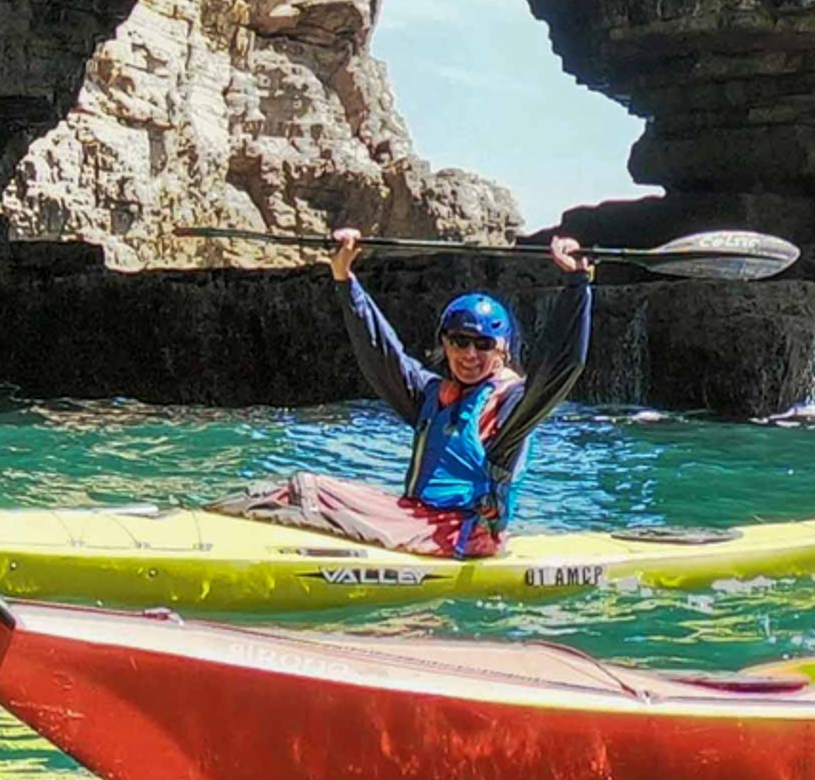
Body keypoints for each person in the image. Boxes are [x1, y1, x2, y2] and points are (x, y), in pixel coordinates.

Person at [232, 230, 595, 557]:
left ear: (502, 350)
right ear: (445, 343)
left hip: (465, 534)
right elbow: (381, 353)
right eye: (460, 342)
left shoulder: (511, 404)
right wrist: (344, 277)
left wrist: (578, 283)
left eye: (483, 345)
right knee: (304, 488)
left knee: (313, 505)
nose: (470, 354)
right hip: (415, 517)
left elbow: (561, 367)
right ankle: (214, 519)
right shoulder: (430, 395)